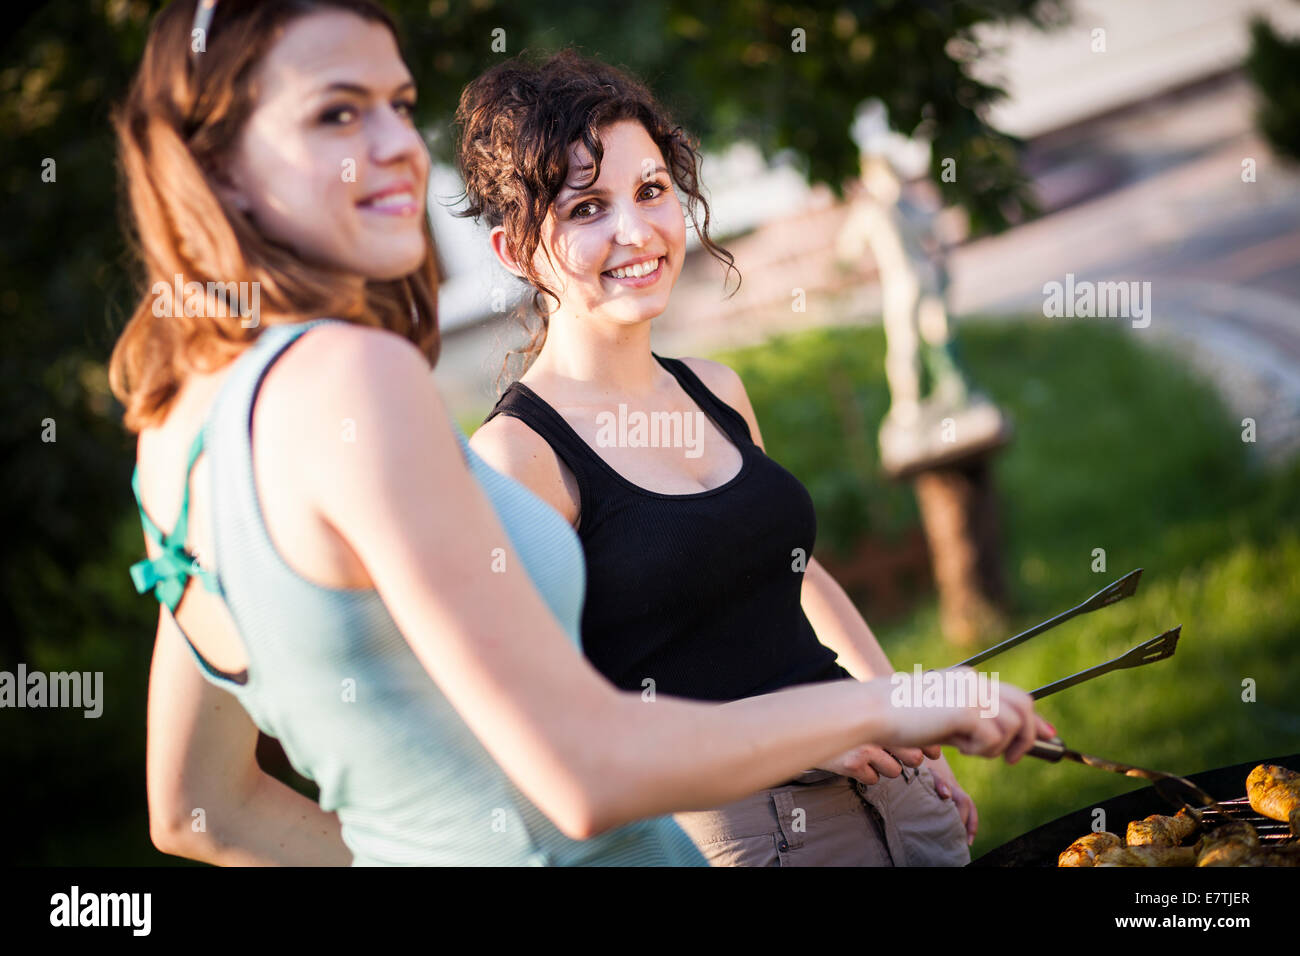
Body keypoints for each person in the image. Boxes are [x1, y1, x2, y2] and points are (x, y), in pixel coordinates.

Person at [120, 0, 1052, 867]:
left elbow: (197, 808)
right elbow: (578, 774)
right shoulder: (357, 379)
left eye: (398, 105)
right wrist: (894, 701)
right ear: (220, 164)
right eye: (337, 114)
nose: (399, 145)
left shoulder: (179, 425)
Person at [463, 50, 986, 866]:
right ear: (516, 250)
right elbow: (556, 727)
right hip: (748, 833)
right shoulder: (515, 458)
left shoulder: (716, 389)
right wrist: (795, 742)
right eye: (588, 208)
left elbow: (800, 576)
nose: (636, 232)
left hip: (894, 782)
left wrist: (900, 714)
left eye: (650, 191)